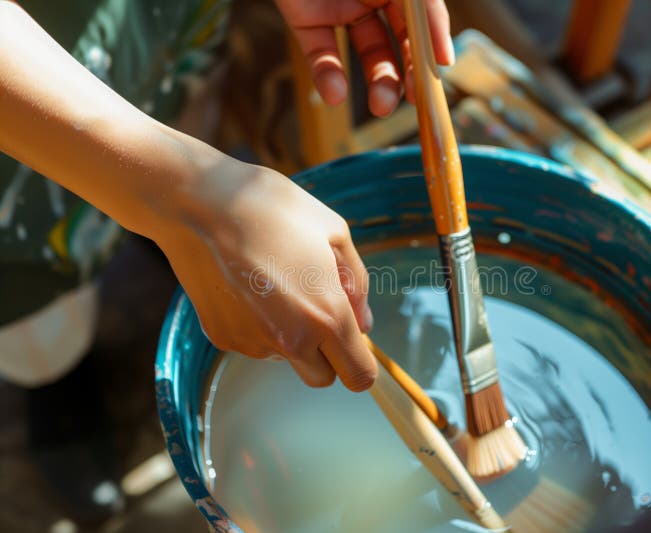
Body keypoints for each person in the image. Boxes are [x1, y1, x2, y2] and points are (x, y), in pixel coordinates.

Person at [0, 0, 453, 524]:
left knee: (181, 118)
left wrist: (184, 194)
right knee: (40, 312)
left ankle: (163, 237)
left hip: (159, 31)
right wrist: (186, 198)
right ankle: (57, 381)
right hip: (20, 104)